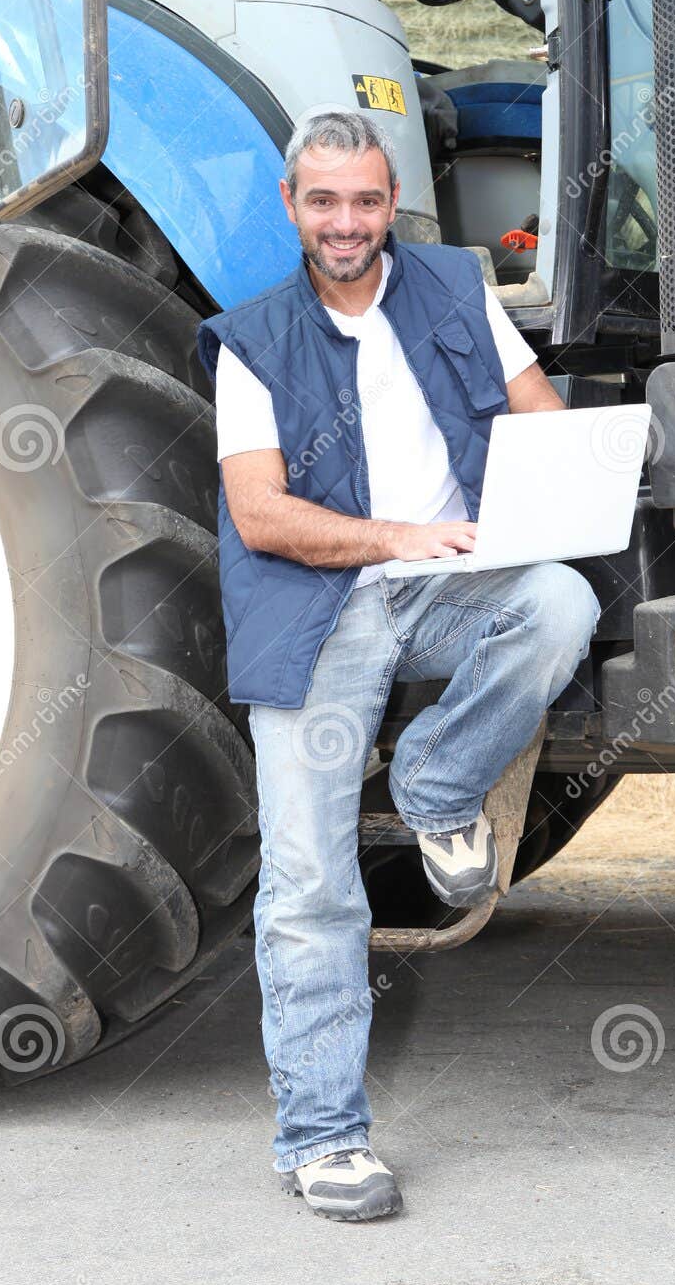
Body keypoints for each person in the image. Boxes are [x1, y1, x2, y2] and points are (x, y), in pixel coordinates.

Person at [197, 108, 601, 1222]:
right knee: (311, 883)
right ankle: (323, 1138)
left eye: (364, 200)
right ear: (293, 208)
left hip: (443, 591)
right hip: (316, 610)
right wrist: (393, 537)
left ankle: (435, 787)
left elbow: (538, 417)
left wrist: (588, 468)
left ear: (390, 205)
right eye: (322, 201)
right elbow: (262, 514)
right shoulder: (253, 341)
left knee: (560, 600)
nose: (345, 222)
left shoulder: (452, 289)